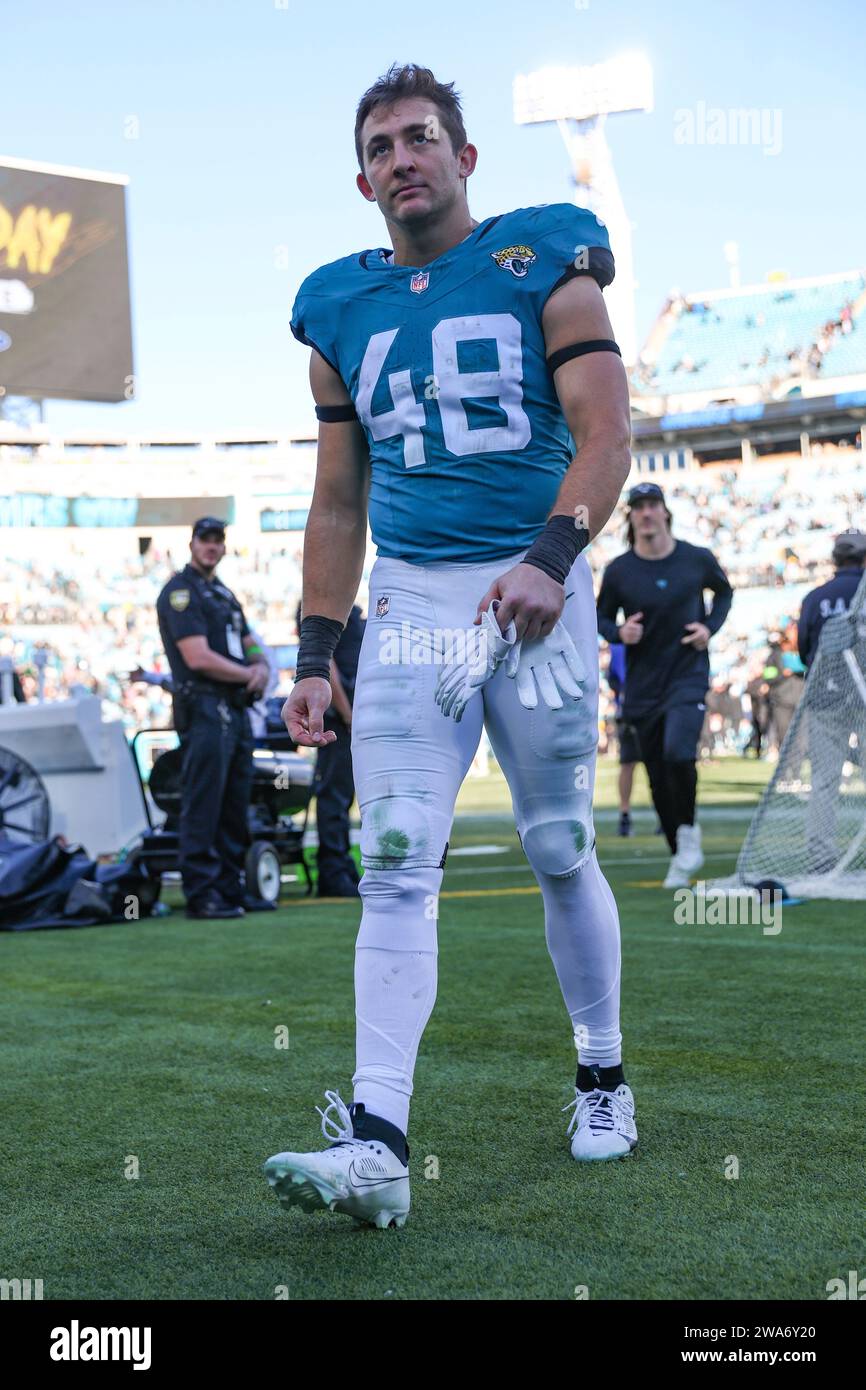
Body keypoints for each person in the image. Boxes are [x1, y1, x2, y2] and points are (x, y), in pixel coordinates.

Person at [263, 62, 634, 1230]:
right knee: (394, 852)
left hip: (537, 578)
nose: (401, 159)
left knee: (559, 840)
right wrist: (317, 649)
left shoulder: (542, 256)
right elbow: (336, 497)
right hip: (415, 599)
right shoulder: (335, 307)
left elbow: (607, 430)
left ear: (463, 158)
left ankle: (600, 1072)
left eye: (419, 138)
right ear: (361, 176)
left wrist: (553, 554)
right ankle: (376, 1142)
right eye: (379, 147)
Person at [596, 481, 733, 889]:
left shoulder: (696, 558)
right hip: (642, 685)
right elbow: (601, 619)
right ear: (632, 516)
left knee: (678, 753)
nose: (647, 513)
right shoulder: (620, 570)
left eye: (653, 504)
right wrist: (620, 634)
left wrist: (709, 628)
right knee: (655, 772)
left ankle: (688, 831)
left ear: (666, 512)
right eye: (639, 507)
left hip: (687, 674)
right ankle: (678, 852)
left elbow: (724, 594)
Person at [156, 517, 270, 919]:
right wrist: (250, 673)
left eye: (218, 540)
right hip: (203, 704)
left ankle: (229, 888)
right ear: (192, 544)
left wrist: (260, 667)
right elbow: (197, 657)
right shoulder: (180, 592)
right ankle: (203, 894)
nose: (211, 546)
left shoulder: (223, 593)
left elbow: (250, 643)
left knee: (235, 802)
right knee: (204, 802)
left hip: (233, 708)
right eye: (205, 539)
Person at [797, 528, 866, 872]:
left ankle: (821, 856)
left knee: (825, 780)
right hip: (863, 696)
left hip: (825, 695)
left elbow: (804, 651)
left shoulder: (815, 597)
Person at [296, 600, 366, 897]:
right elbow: (326, 664)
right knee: (335, 797)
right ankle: (333, 870)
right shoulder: (319, 603)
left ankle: (341, 866)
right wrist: (347, 713)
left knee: (343, 797)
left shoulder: (350, 607)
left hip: (350, 714)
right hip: (340, 717)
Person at [607, 642, 638, 836]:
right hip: (631, 709)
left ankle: (664, 812)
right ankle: (624, 814)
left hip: (644, 705)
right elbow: (613, 678)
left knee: (658, 762)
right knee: (627, 763)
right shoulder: (618, 646)